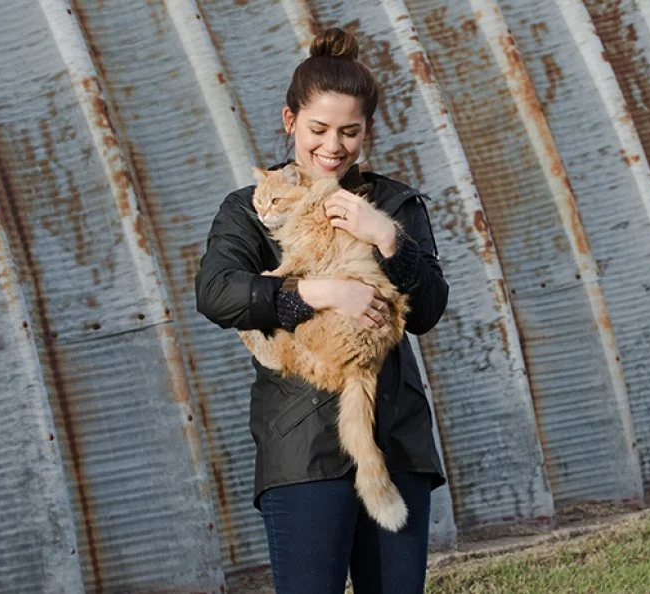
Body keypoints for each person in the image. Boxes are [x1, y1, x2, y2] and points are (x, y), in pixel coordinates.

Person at [195, 26, 449, 594]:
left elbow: (430, 310)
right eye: (318, 129)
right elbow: (216, 292)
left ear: (366, 132)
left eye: (349, 131)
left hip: (394, 440)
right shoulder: (252, 209)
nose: (333, 146)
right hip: (300, 446)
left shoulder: (395, 203)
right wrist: (321, 293)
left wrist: (388, 238)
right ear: (290, 123)